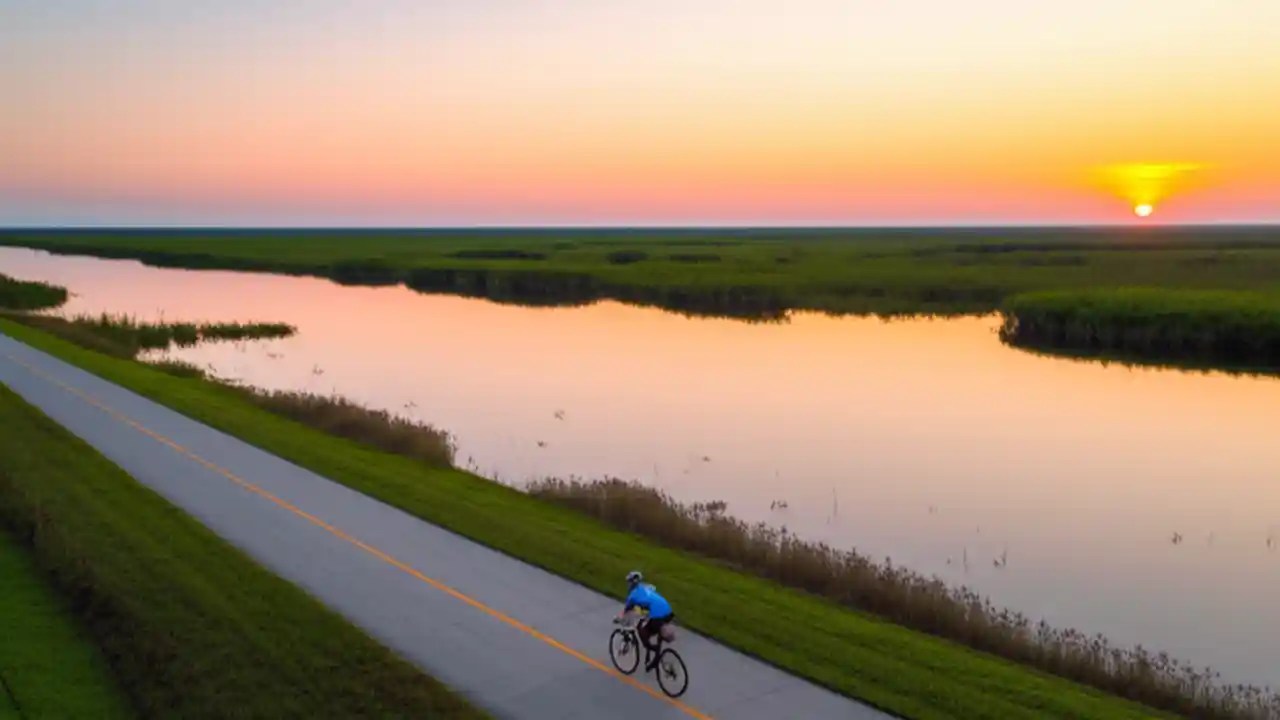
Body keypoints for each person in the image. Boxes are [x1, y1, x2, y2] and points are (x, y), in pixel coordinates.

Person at [616, 570, 675, 672]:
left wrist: (618, 619)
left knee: (643, 632)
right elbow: (649, 600)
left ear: (631, 583)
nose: (628, 585)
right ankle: (653, 657)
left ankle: (655, 654)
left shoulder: (632, 596)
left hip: (657, 616)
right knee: (654, 629)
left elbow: (626, 612)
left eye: (628, 583)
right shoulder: (647, 586)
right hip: (668, 611)